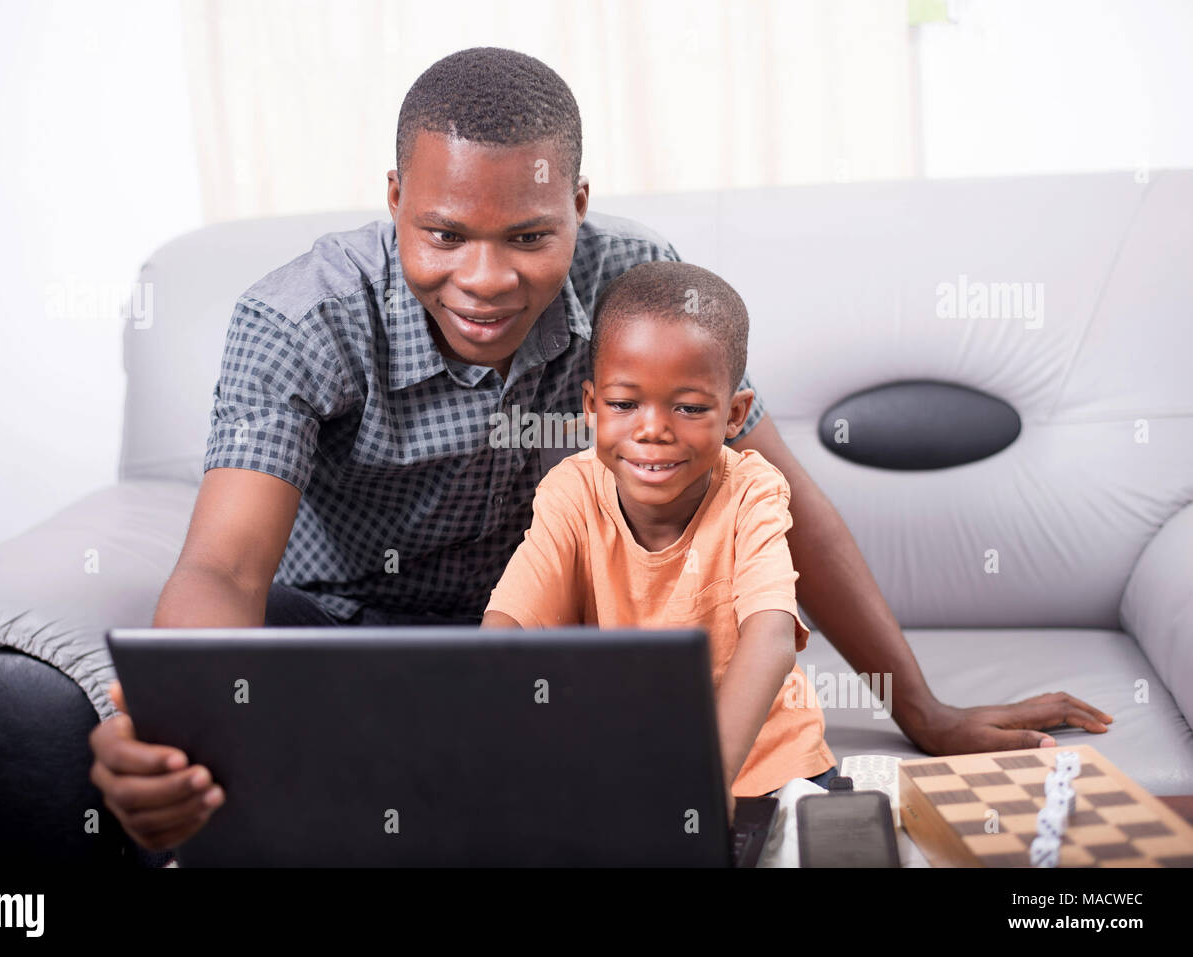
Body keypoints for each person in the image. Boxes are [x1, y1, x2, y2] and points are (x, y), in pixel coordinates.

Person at [90, 47, 1111, 854]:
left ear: (578, 206)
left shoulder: (642, 283)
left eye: (528, 237)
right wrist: (167, 732)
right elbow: (223, 566)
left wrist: (920, 711)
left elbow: (782, 509)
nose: (484, 279)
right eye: (443, 233)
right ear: (393, 196)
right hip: (353, 636)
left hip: (565, 645)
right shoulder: (297, 317)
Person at [482, 261, 838, 822]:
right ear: (592, 408)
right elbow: (507, 629)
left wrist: (707, 777)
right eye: (625, 405)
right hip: (624, 771)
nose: (652, 429)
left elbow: (770, 637)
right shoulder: (571, 491)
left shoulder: (753, 490)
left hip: (766, 766)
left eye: (691, 408)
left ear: (734, 415)